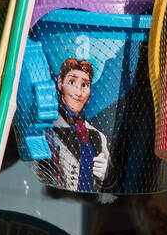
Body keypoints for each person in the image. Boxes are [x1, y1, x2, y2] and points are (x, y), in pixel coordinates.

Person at [36, 58, 111, 193]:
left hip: (83, 204)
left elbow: (113, 186)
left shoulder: (98, 136)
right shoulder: (47, 129)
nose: (78, 92)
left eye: (85, 85)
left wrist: (105, 174)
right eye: (72, 82)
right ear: (60, 83)